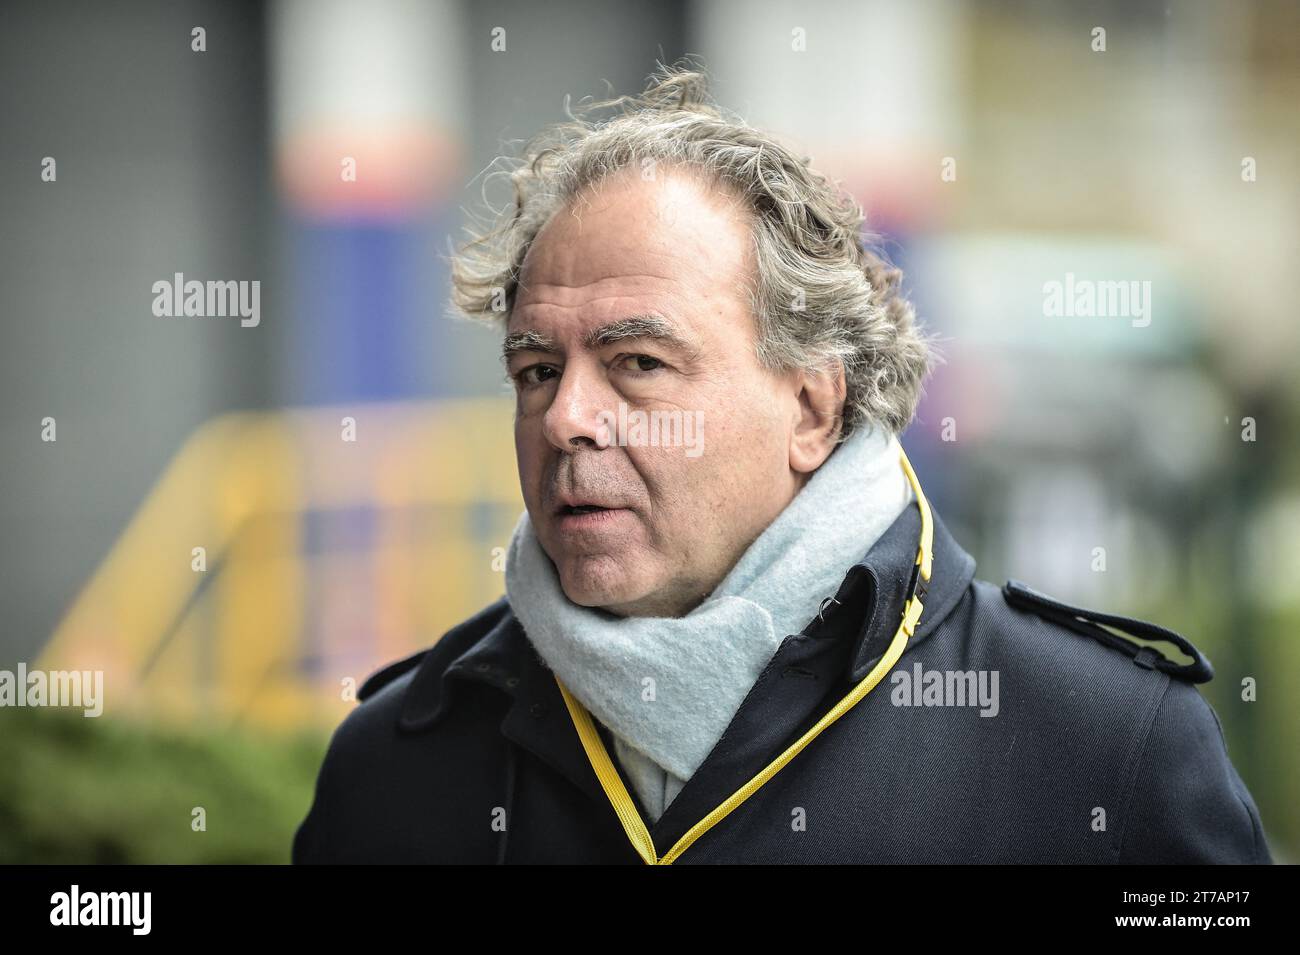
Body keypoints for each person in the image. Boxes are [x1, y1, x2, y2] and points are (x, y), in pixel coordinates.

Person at [292, 63, 1272, 864]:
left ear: (811, 403)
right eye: (537, 368)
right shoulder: (399, 762)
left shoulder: (1100, 744)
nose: (567, 418)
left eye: (638, 362)